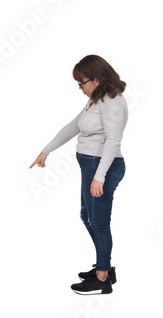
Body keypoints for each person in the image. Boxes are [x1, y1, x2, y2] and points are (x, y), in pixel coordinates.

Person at [30, 54, 129, 295]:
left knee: (100, 223)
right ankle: (104, 266)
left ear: (96, 79)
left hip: (102, 167)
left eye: (82, 82)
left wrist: (100, 176)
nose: (80, 88)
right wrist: (46, 150)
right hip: (90, 166)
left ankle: (103, 277)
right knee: (87, 216)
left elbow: (113, 141)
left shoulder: (112, 101)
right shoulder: (96, 100)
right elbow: (73, 127)